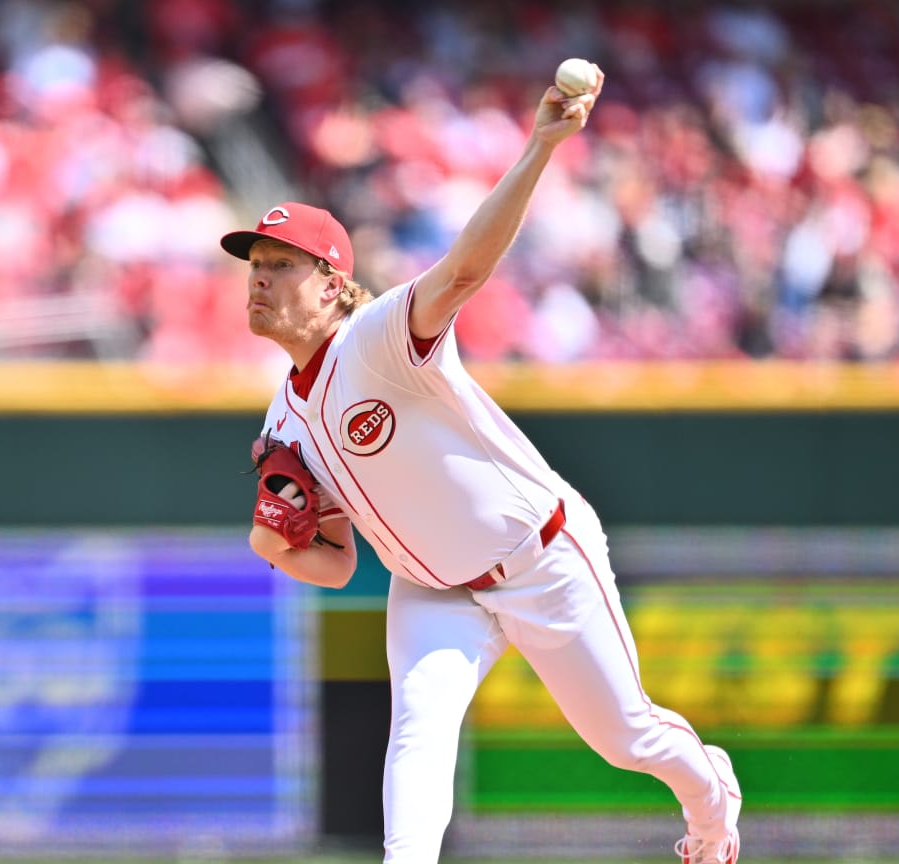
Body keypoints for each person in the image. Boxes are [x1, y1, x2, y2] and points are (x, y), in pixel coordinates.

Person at [221, 68, 743, 864]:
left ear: (331, 286)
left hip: (539, 555)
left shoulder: (378, 339)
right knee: (419, 733)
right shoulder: (280, 421)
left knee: (627, 737)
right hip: (432, 588)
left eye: (282, 263)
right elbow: (337, 563)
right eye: (255, 262)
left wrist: (541, 147)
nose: (259, 276)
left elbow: (463, 272)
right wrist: (273, 545)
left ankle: (712, 799)